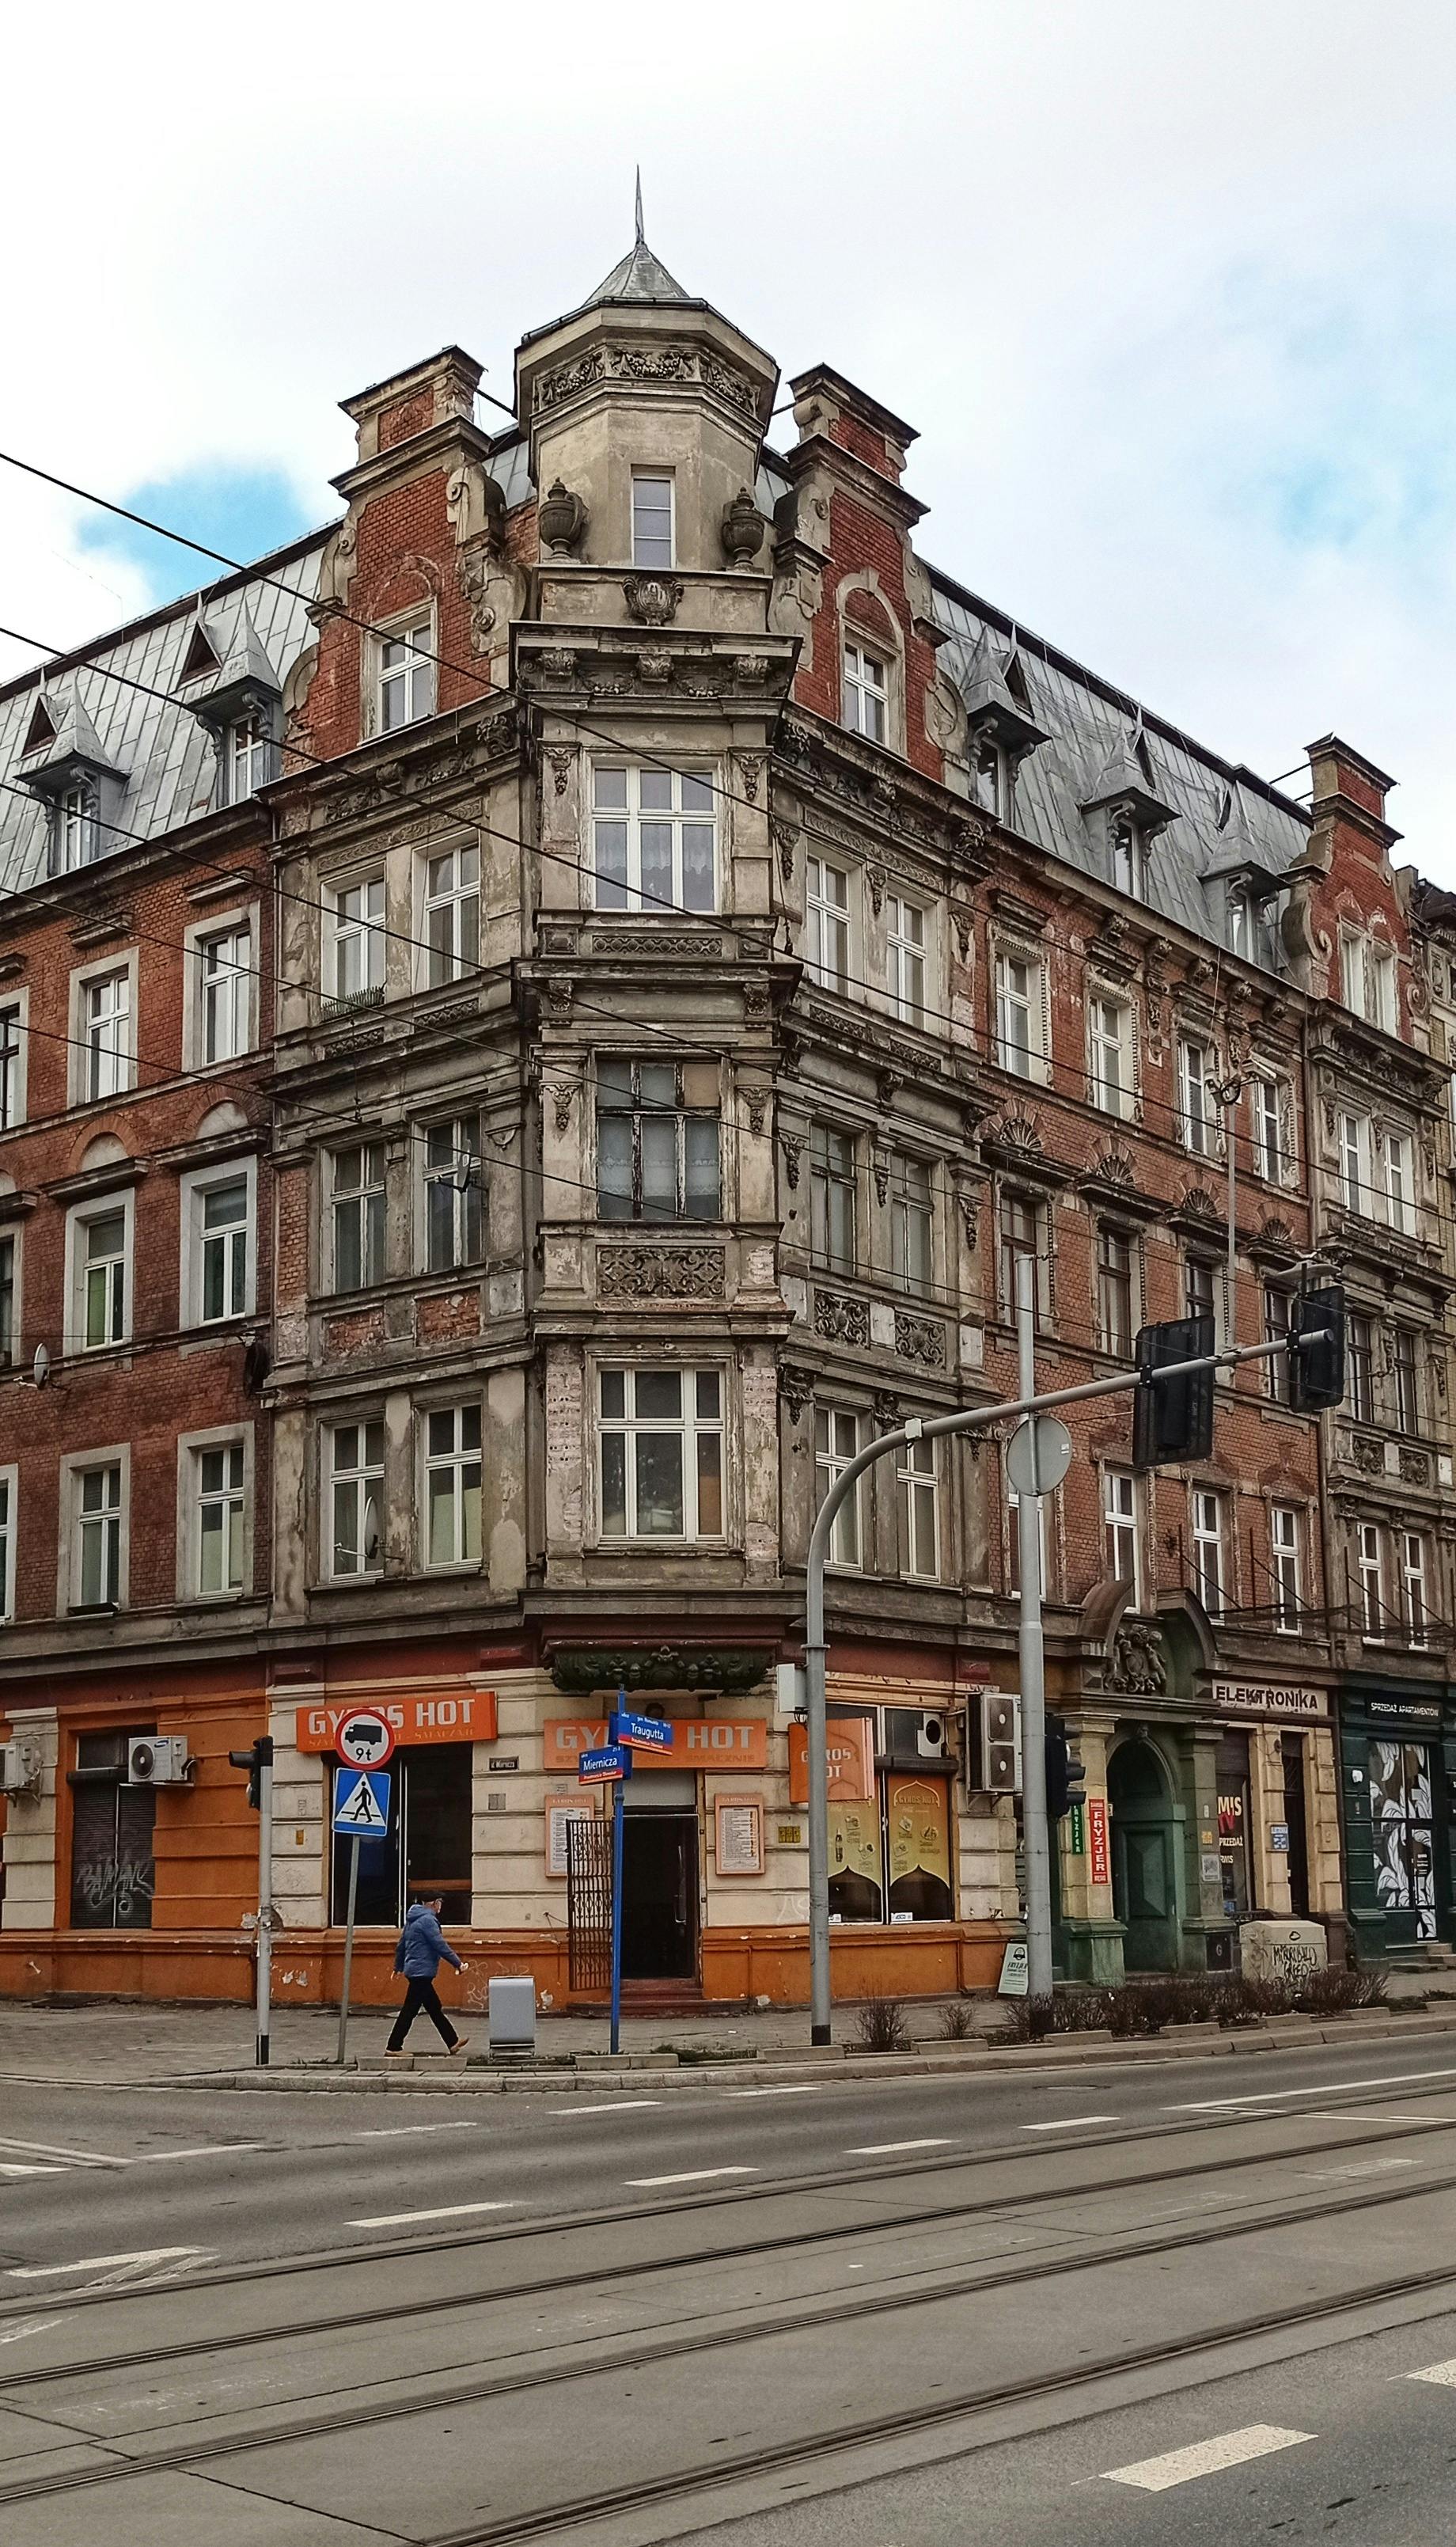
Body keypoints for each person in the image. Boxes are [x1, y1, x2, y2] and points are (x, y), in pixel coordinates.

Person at [386, 1892, 470, 2055]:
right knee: (410, 2010)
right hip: (421, 1972)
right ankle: (393, 2047)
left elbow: (401, 1945)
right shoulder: (428, 1921)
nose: (441, 1906)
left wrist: (398, 1967)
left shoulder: (412, 1919)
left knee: (434, 2007)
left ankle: (452, 2042)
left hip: (415, 1970)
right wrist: (458, 1963)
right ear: (435, 1903)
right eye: (440, 1903)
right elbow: (440, 1945)